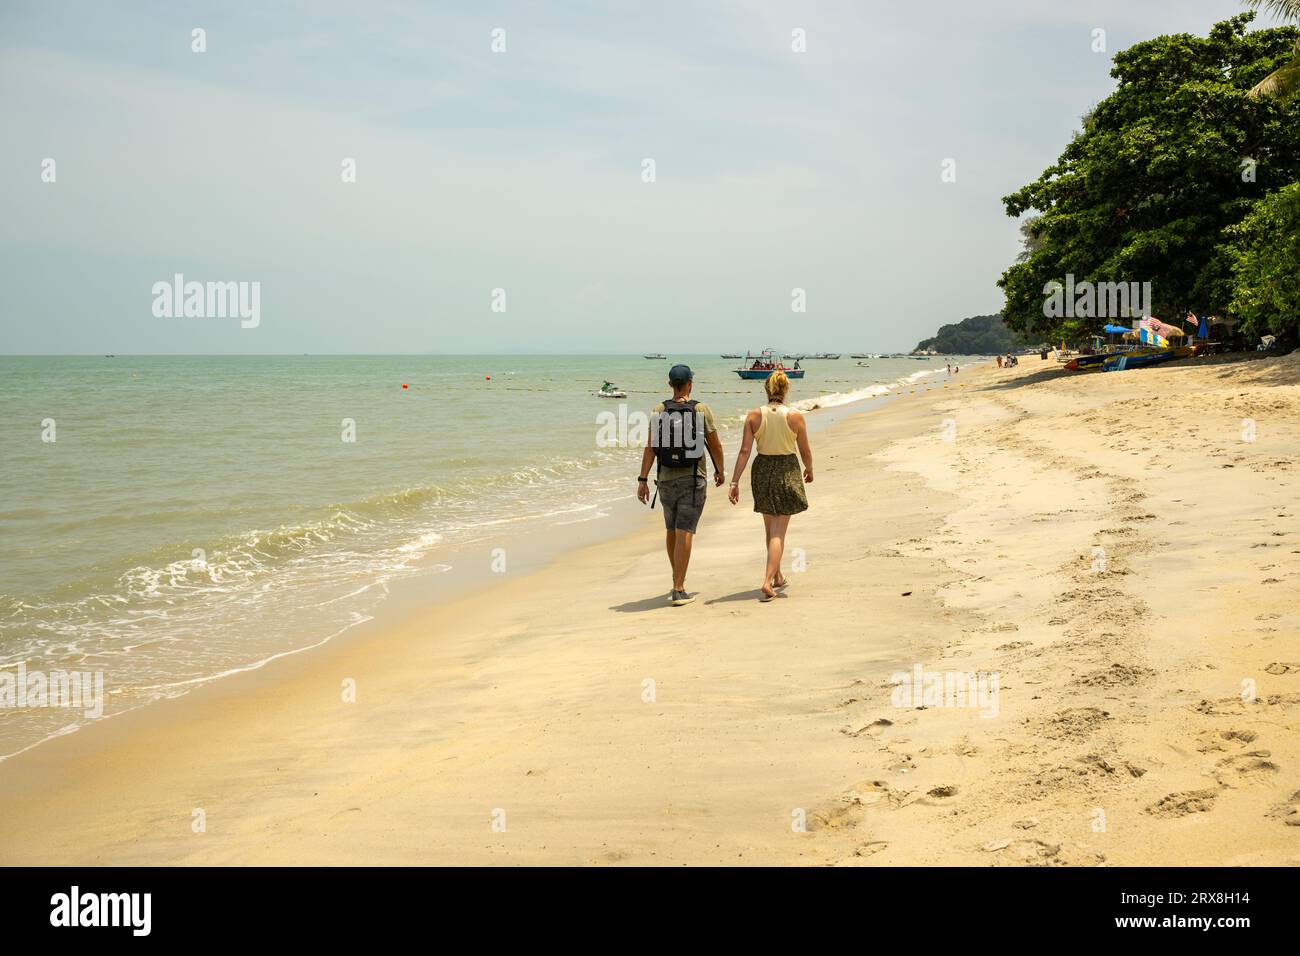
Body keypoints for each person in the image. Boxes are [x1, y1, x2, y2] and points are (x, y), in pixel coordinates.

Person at [637, 364, 725, 606]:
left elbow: (651, 447)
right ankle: (679, 587)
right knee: (684, 530)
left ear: (669, 385)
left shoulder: (658, 410)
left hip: (665, 479)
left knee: (671, 529)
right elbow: (715, 444)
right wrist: (720, 470)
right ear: (690, 384)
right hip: (693, 478)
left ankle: (676, 577)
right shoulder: (701, 409)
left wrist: (643, 479)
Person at [728, 370, 812, 601]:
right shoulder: (795, 416)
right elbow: (805, 450)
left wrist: (734, 481)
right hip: (786, 469)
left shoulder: (754, 415)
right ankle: (767, 581)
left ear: (767, 389)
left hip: (762, 469)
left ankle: (778, 576)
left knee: (770, 528)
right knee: (778, 532)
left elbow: (745, 451)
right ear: (786, 390)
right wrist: (809, 468)